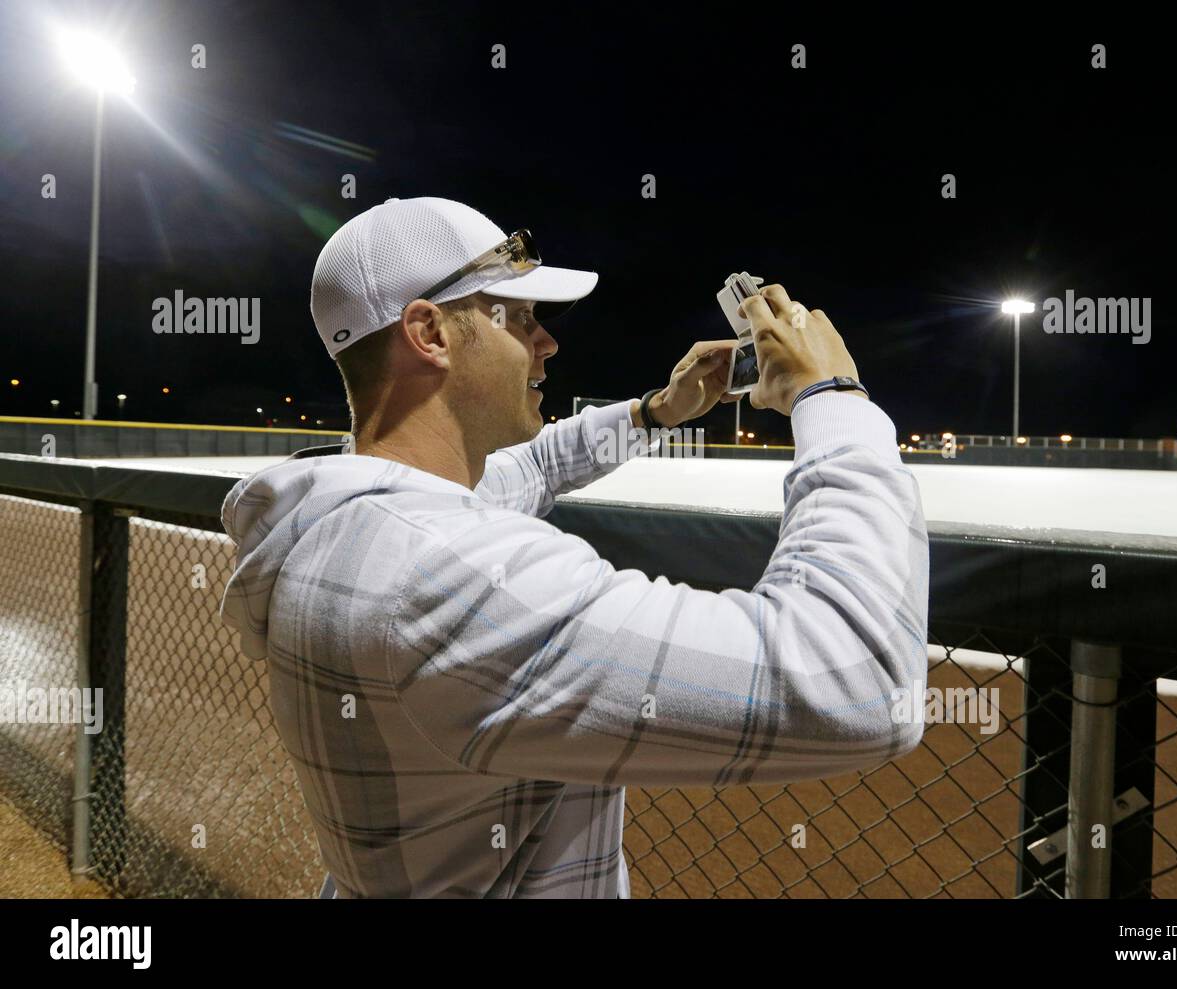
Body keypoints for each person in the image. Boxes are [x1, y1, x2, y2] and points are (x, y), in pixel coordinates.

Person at [219, 196, 929, 898]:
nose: (547, 342)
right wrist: (833, 397)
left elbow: (536, 465)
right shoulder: (446, 582)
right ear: (429, 332)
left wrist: (660, 409)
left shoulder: (342, 520)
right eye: (521, 318)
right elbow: (858, 677)